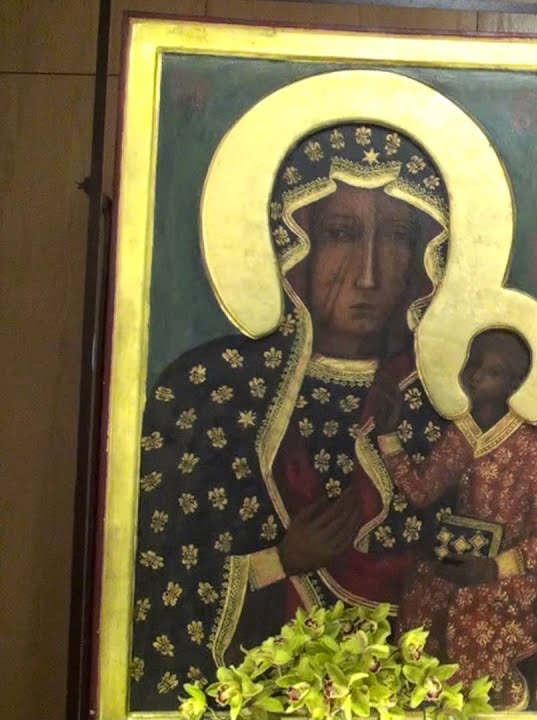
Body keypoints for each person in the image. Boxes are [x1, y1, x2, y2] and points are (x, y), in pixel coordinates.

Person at [129, 123, 453, 708]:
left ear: (426, 257)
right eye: (340, 234)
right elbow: (156, 581)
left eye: (399, 236)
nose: (369, 273)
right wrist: (277, 561)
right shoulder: (212, 393)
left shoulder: (437, 408)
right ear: (292, 244)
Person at [378, 328, 537, 711]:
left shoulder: (534, 450)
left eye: (492, 371)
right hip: (465, 557)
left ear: (514, 383)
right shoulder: (462, 435)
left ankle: (475, 707)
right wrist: (389, 436)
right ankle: (421, 703)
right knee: (424, 587)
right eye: (473, 363)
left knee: (472, 608)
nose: (477, 375)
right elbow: (422, 489)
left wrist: (493, 569)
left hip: (513, 574)